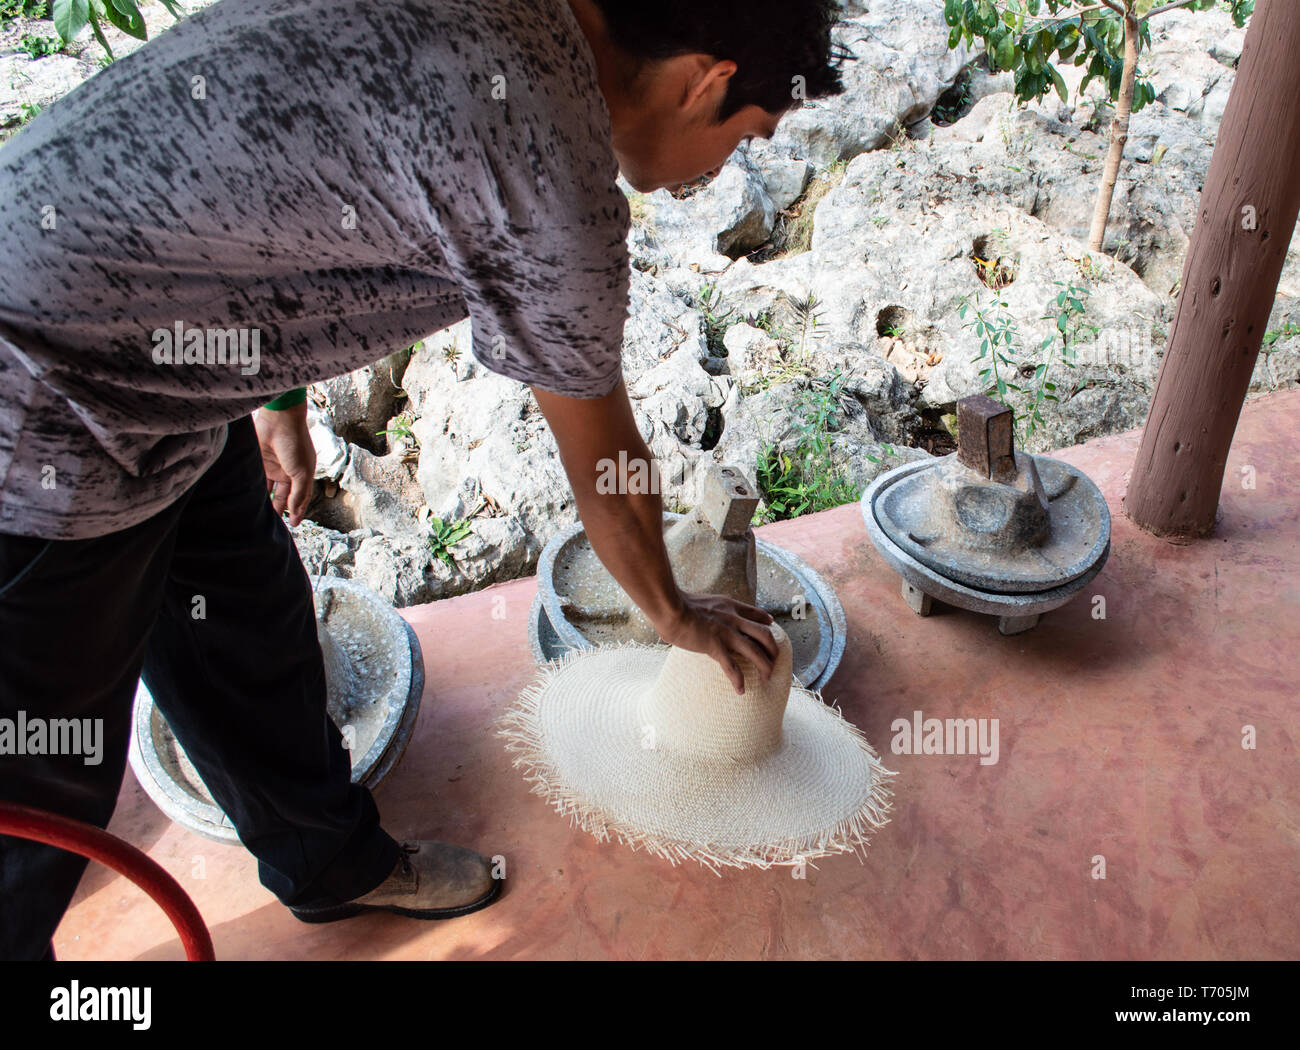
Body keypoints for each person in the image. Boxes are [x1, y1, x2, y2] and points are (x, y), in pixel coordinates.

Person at [0, 0, 845, 960]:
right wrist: (677, 614)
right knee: (36, 780)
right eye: (746, 136)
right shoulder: (549, 168)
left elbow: (260, 157)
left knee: (243, 618)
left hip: (147, 360)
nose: (723, 170)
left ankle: (331, 867)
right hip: (37, 408)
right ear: (705, 78)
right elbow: (607, 468)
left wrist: (274, 397)